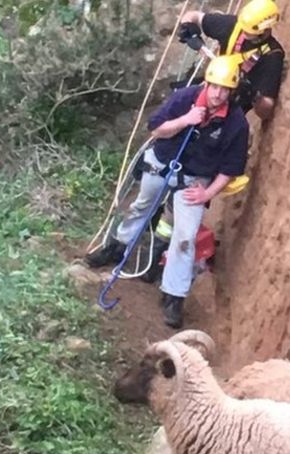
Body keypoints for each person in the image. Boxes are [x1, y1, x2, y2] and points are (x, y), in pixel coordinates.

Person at [84, 56, 250, 328]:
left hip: (194, 181)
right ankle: (116, 248)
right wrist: (186, 120)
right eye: (214, 86)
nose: (218, 94)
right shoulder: (185, 98)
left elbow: (231, 169)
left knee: (185, 236)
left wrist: (208, 194)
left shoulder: (236, 124)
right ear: (206, 83)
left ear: (232, 91)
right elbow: (157, 129)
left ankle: (174, 295)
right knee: (140, 207)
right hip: (161, 164)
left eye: (225, 89)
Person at [177, 0, 285, 120]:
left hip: (230, 108)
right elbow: (193, 16)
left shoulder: (271, 56)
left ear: (265, 29)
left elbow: (266, 109)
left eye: (248, 31)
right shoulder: (234, 26)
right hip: (209, 85)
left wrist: (253, 95)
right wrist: (187, 28)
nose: (244, 32)